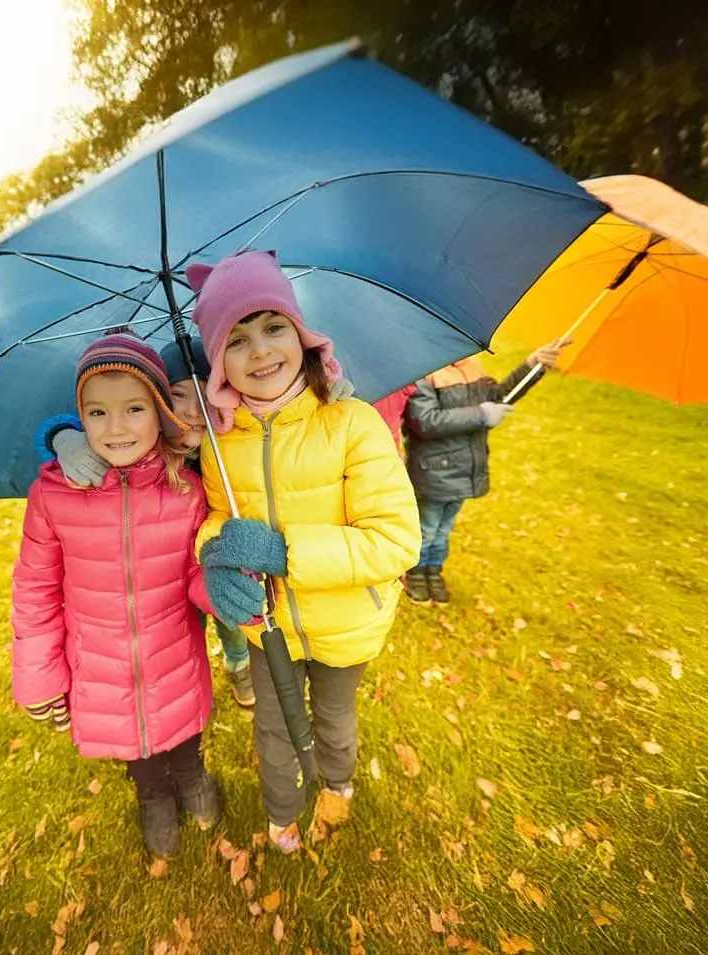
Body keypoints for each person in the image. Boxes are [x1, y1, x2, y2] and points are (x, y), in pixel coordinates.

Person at [187, 250, 421, 854]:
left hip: (347, 620)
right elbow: (218, 518)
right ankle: (282, 811)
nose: (260, 351)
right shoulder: (219, 444)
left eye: (273, 327)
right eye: (236, 340)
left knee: (334, 718)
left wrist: (284, 552)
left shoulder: (352, 423)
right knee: (273, 728)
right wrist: (215, 558)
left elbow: (395, 540)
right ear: (217, 363)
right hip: (268, 626)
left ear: (302, 335)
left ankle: (336, 783)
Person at [11, 332, 247, 857]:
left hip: (172, 651)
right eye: (97, 413)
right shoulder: (51, 496)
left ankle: (192, 776)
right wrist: (37, 675)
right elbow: (34, 590)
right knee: (133, 744)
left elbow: (194, 572)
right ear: (79, 419)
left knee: (182, 724)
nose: (116, 427)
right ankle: (153, 797)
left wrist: (222, 589)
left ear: (160, 413)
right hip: (100, 662)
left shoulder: (185, 490)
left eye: (134, 409)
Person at [31, 337, 257, 707]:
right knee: (185, 620)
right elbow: (92, 419)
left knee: (226, 614)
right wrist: (62, 437)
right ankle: (189, 673)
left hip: (218, 555)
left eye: (205, 395)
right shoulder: (144, 447)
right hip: (167, 567)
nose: (193, 411)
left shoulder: (230, 440)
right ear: (159, 402)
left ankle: (237, 661)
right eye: (179, 395)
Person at [401, 339, 570, 604]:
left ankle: (434, 572)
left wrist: (531, 366)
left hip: (464, 469)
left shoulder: (472, 366)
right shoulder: (425, 372)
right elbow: (425, 421)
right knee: (427, 529)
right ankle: (415, 574)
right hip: (433, 470)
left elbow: (499, 398)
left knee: (443, 530)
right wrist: (480, 415)